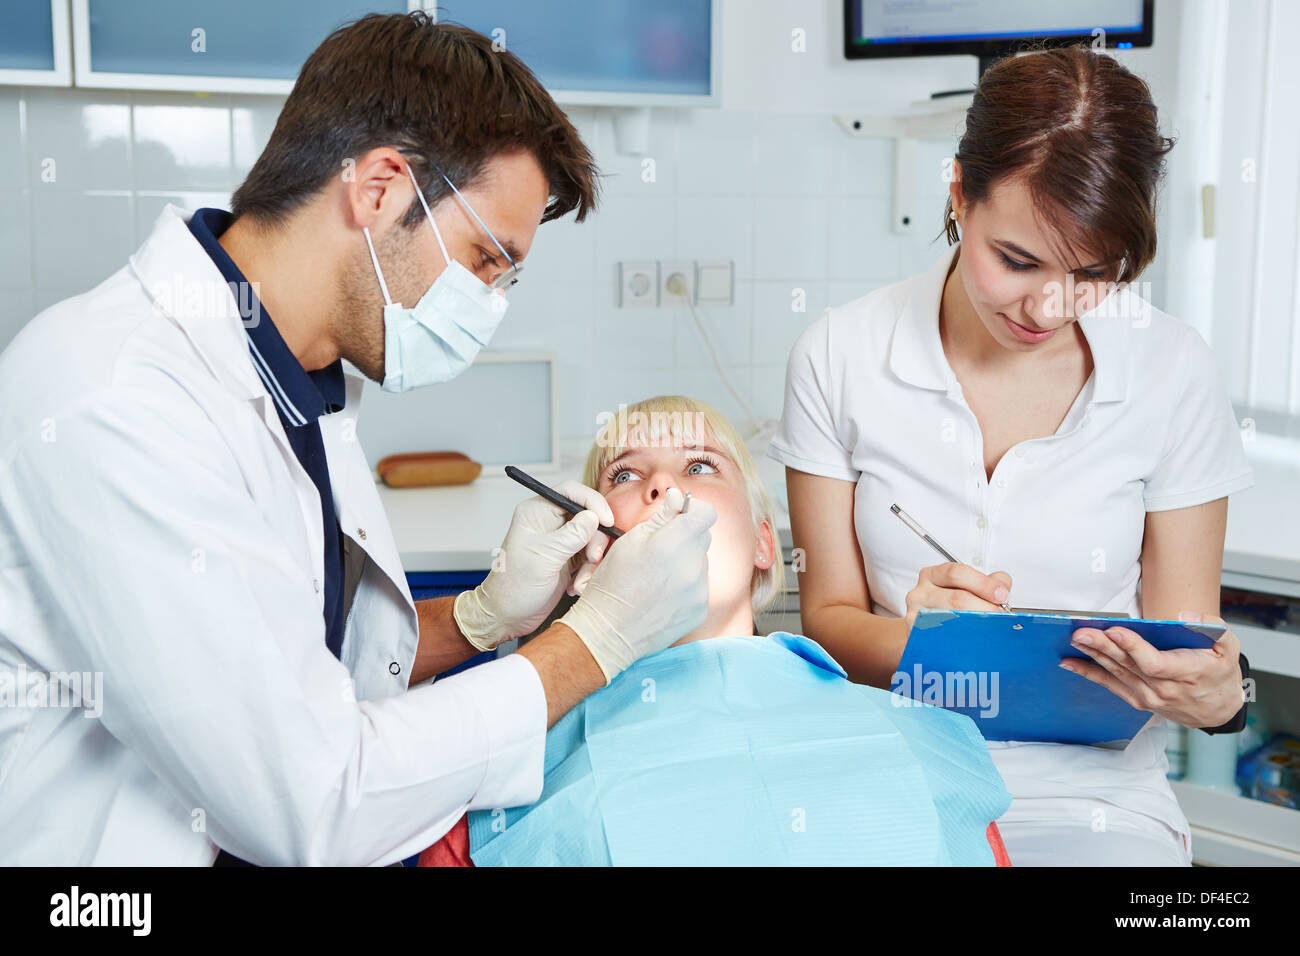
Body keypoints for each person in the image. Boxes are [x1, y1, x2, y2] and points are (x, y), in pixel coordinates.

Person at [0, 14, 717, 866]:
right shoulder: (115, 396)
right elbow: (312, 801)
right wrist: (595, 641)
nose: (490, 302)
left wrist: (484, 618)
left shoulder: (298, 375)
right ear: (379, 189)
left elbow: (304, 673)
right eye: (488, 260)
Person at [770, 46, 1253, 866]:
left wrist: (1216, 700)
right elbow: (828, 623)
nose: (1047, 307)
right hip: (889, 768)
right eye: (1017, 261)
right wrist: (925, 645)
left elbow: (1188, 639)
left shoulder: (1172, 369)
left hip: (1092, 797)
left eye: (1093, 273)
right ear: (958, 193)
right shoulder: (839, 353)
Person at [419, 396, 1014, 866]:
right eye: (625, 475)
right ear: (588, 549)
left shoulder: (915, 741)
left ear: (763, 542)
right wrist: (478, 615)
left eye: (699, 465)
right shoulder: (498, 780)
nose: (663, 488)